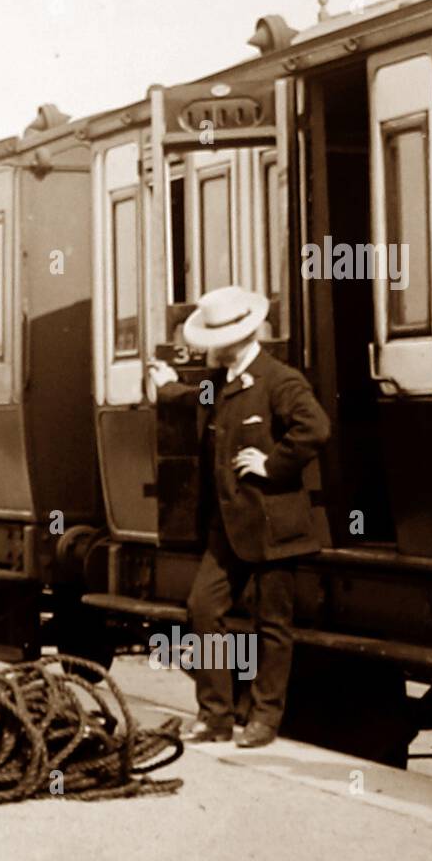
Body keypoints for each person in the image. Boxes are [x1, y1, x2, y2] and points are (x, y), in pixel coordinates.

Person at [149, 285, 330, 749]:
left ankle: (265, 719)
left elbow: (315, 428)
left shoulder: (280, 380)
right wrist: (167, 384)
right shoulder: (224, 380)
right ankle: (215, 716)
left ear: (240, 338)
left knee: (273, 624)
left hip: (274, 526)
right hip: (228, 529)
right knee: (203, 609)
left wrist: (271, 463)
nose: (209, 347)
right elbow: (194, 398)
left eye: (215, 338)